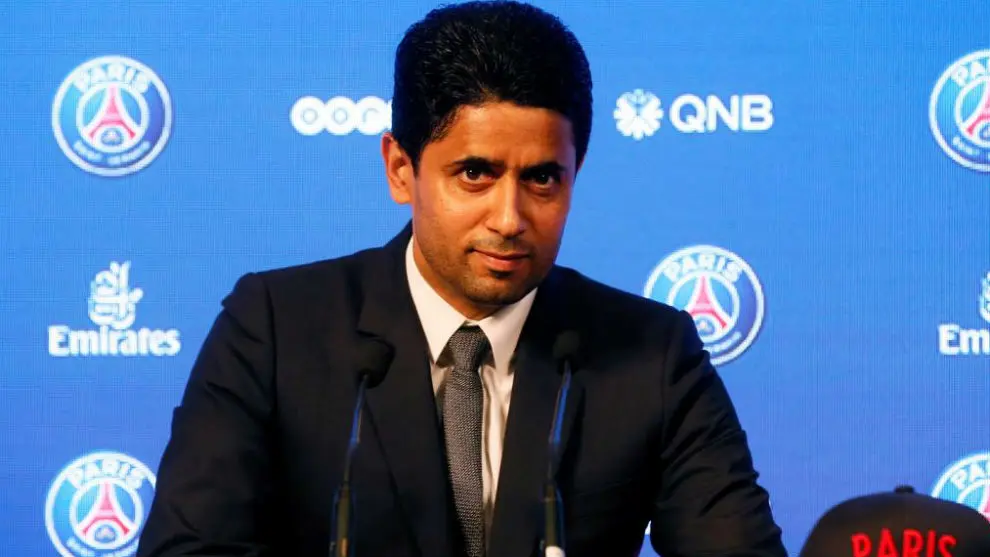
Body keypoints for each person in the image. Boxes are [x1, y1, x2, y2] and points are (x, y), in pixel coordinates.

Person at [136, 2, 786, 556]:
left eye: (542, 179)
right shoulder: (274, 330)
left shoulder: (652, 353)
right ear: (400, 169)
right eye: (475, 174)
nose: (509, 218)